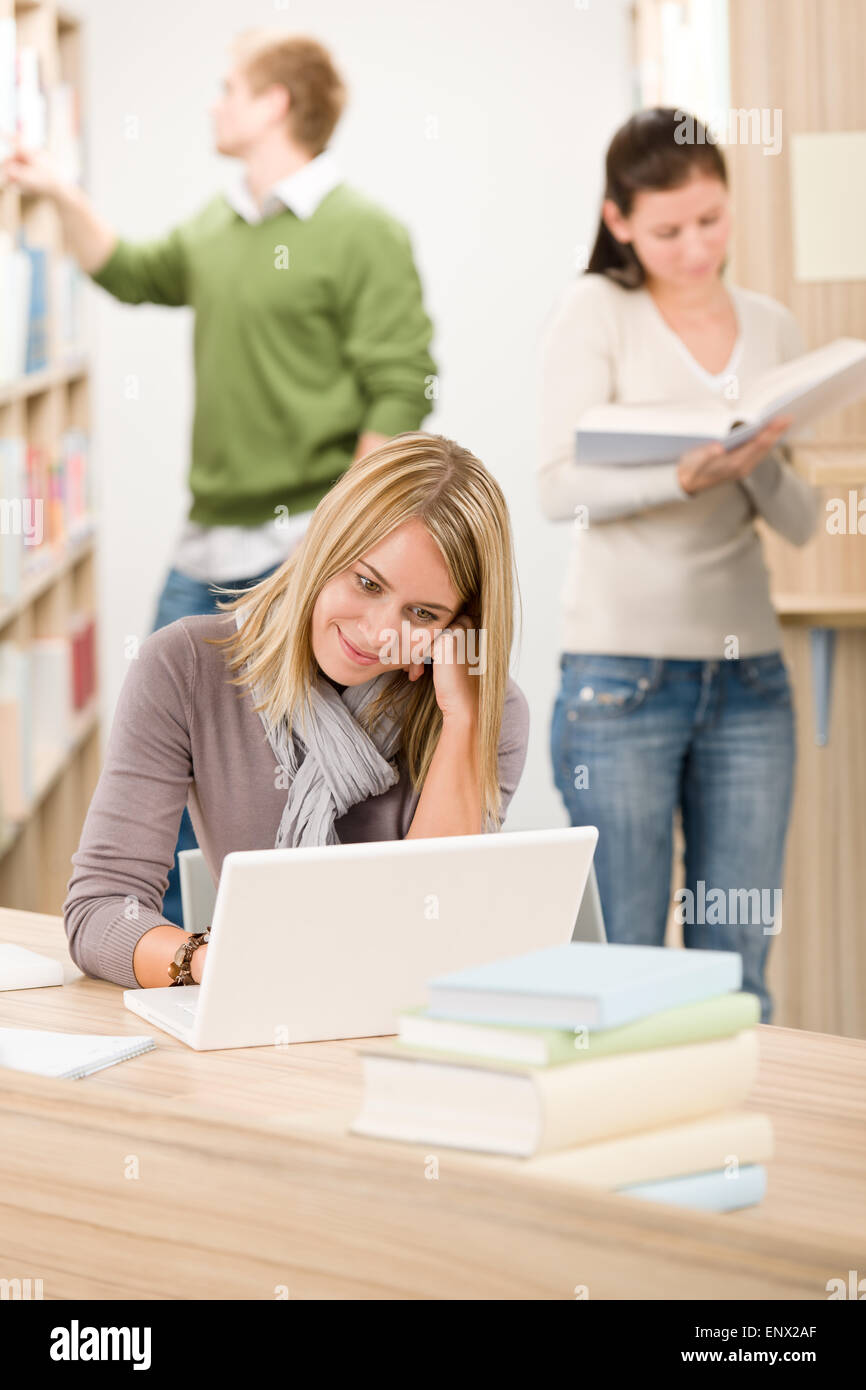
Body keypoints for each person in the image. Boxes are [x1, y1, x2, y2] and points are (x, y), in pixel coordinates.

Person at [4, 29, 437, 926]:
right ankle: (163, 973)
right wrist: (55, 190)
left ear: (276, 102)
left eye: (229, 88)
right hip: (206, 545)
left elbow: (400, 385)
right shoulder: (216, 226)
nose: (214, 103)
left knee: (287, 788)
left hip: (301, 552)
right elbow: (130, 270)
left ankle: (275, 975)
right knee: (162, 775)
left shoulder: (363, 232)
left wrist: (341, 548)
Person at [63, 434, 530, 990]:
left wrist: (463, 723)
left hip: (403, 1027)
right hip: (259, 1014)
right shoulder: (185, 666)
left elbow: (434, 926)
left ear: (459, 625)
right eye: (367, 582)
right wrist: (214, 961)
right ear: (323, 546)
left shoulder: (486, 712)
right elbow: (101, 908)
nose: (380, 632)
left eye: (423, 613)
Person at [539, 108, 819, 1023]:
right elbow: (555, 489)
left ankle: (735, 1157)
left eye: (712, 220)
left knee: (737, 970)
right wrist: (682, 474)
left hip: (750, 684)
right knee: (624, 965)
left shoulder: (771, 326)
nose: (696, 248)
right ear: (620, 221)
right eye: (668, 230)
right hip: (619, 680)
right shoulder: (596, 312)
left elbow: (805, 520)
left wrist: (756, 458)